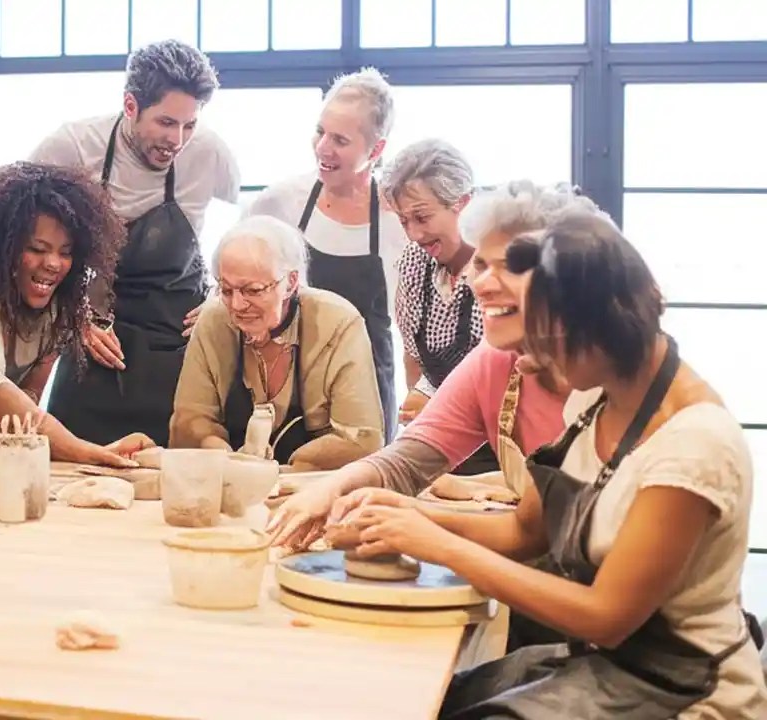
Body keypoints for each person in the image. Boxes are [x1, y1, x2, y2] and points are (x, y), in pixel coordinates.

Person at [333, 208, 767, 718]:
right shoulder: (593, 402)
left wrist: (439, 545)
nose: (528, 360)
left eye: (544, 340)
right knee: (420, 698)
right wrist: (404, 516)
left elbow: (607, 617)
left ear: (600, 325)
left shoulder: (694, 445)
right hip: (601, 663)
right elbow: (525, 533)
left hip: (683, 686)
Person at [266, 180, 591, 548]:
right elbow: (405, 462)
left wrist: (417, 521)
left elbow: (590, 571)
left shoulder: (617, 380)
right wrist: (331, 490)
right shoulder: (496, 360)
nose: (483, 284)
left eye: (513, 267)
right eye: (480, 265)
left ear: (568, 276)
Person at [31, 39, 240, 449]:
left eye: (189, 125)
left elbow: (244, 241)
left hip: (177, 348)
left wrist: (222, 296)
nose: (177, 139)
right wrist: (74, 315)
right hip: (95, 344)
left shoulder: (211, 154)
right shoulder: (70, 147)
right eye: (165, 123)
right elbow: (28, 250)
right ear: (131, 106)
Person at [0, 161, 155, 469]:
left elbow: (25, 417)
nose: (54, 263)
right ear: (2, 249)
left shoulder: (57, 307)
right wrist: (85, 452)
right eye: (37, 249)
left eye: (65, 252)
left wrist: (100, 453)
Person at [248, 67, 407, 446]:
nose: (323, 148)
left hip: (366, 399)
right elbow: (233, 281)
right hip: (289, 391)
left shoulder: (399, 220)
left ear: (377, 149)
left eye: (340, 140)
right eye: (320, 132)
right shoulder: (280, 203)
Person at [171, 215, 383, 470]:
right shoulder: (214, 321)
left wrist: (281, 472)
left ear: (291, 282)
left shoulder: (337, 323)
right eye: (226, 290)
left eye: (253, 290)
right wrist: (226, 458)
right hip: (230, 480)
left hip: (314, 488)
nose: (237, 305)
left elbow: (361, 440)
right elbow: (189, 421)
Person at [385, 138, 490, 472]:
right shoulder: (416, 262)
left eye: (422, 217)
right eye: (404, 221)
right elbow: (415, 357)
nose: (414, 234)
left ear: (463, 203)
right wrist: (421, 396)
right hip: (448, 447)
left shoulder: (499, 269)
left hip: (501, 447)